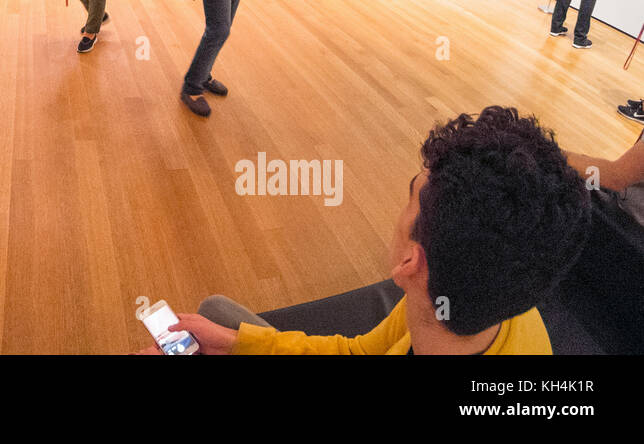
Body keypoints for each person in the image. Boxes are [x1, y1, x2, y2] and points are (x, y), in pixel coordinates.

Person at [142, 107, 590, 354]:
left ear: (410, 262)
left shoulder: (431, 300)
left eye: (410, 195)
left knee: (211, 308)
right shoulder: (483, 304)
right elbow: (361, 353)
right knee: (217, 316)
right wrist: (239, 343)